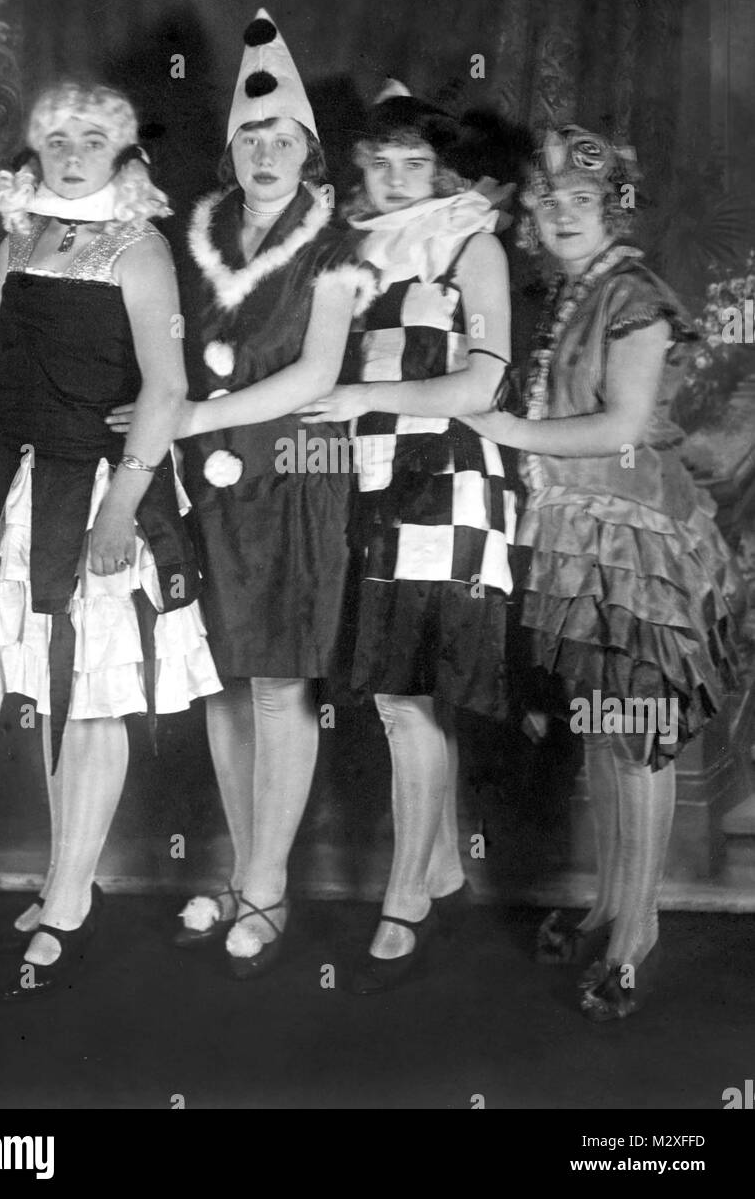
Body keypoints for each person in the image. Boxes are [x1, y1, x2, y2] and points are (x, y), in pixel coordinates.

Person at [0, 81, 221, 1001]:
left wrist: (120, 510)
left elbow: (169, 390)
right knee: (51, 689)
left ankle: (67, 900)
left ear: (121, 152)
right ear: (37, 147)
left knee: (94, 693)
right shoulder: (24, 231)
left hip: (104, 486)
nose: (70, 152)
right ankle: (69, 879)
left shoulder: (141, 247)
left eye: (91, 138)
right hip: (24, 482)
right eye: (57, 137)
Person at [109, 10, 375, 978]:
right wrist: (156, 415)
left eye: (284, 140)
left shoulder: (336, 242)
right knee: (220, 675)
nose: (266, 154)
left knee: (277, 680)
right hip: (207, 488)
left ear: (310, 149)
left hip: (294, 481)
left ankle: (266, 884)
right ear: (233, 148)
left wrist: (195, 421)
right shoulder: (200, 231)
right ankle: (245, 867)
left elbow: (316, 378)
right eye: (251, 140)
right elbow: (166, 348)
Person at [463, 125, 742, 1021]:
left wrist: (509, 435)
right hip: (580, 539)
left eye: (581, 201)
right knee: (604, 729)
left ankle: (639, 932)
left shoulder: (637, 297)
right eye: (548, 203)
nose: (561, 215)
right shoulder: (574, 289)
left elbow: (620, 426)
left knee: (638, 737)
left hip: (638, 550)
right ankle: (609, 904)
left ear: (614, 209)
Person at [299, 82, 521, 992]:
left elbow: (484, 385)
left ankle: (405, 895)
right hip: (373, 479)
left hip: (455, 478)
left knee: (406, 694)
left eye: (415, 163)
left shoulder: (473, 243)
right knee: (408, 691)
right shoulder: (348, 247)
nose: (396, 179)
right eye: (381, 162)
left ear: (443, 169)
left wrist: (358, 398)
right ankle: (437, 868)